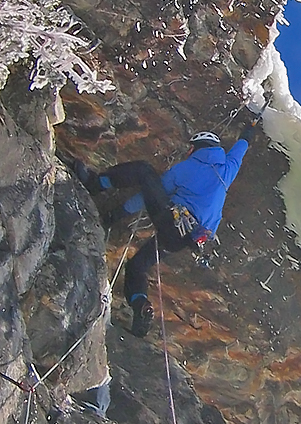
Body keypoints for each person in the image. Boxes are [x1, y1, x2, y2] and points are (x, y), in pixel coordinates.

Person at [74, 122, 257, 337]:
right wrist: (249, 129)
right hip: (186, 239)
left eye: (191, 148)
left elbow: (148, 194)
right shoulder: (228, 170)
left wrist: (115, 215)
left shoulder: (187, 168)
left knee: (143, 171)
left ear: (198, 148)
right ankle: (141, 307)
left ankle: (96, 183)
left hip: (171, 221)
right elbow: (241, 146)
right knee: (138, 265)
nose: (188, 151)